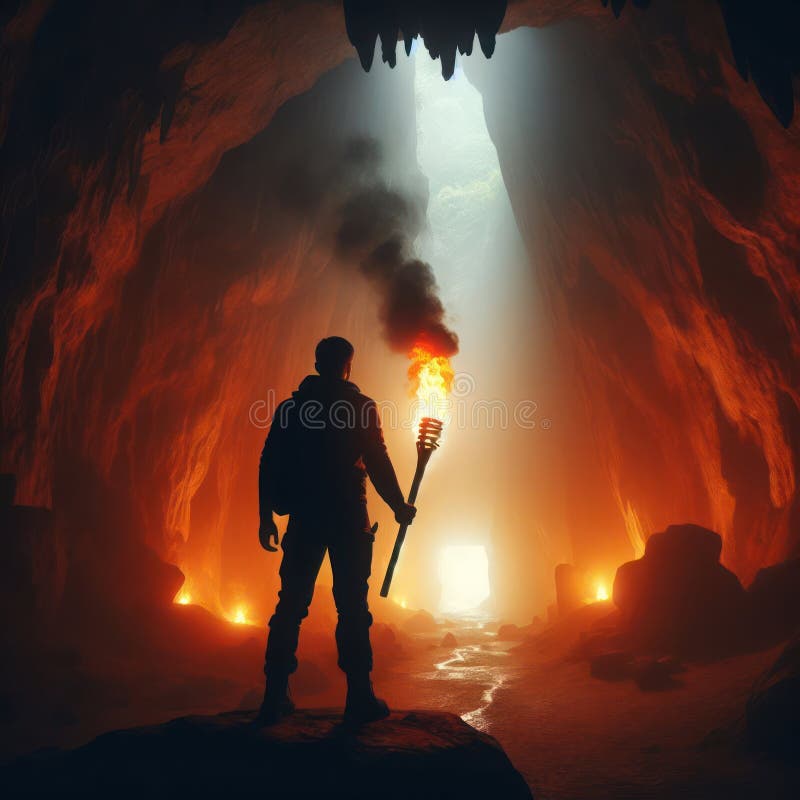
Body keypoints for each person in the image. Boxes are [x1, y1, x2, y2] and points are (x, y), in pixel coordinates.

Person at [257, 336, 416, 725]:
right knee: (352, 608)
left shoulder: (293, 409)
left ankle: (275, 696)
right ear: (348, 366)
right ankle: (359, 696)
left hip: (306, 518)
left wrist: (266, 517)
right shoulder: (361, 408)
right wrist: (399, 506)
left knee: (290, 607)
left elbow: (269, 463)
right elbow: (377, 461)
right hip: (348, 518)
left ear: (316, 364)